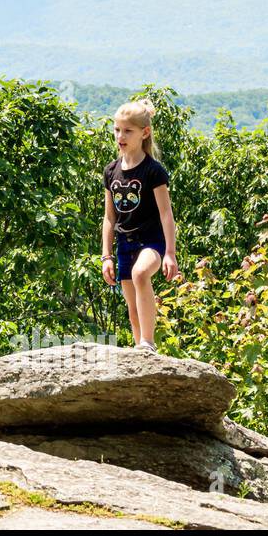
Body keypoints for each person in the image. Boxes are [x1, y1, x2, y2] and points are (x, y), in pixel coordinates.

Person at [100, 99, 179, 352]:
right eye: (117, 130)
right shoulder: (111, 171)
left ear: (144, 133)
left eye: (127, 131)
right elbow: (109, 218)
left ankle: (148, 343)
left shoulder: (153, 171)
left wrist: (170, 253)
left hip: (152, 242)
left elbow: (167, 214)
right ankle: (140, 351)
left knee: (140, 274)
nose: (120, 136)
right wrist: (106, 256)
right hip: (125, 243)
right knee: (132, 306)